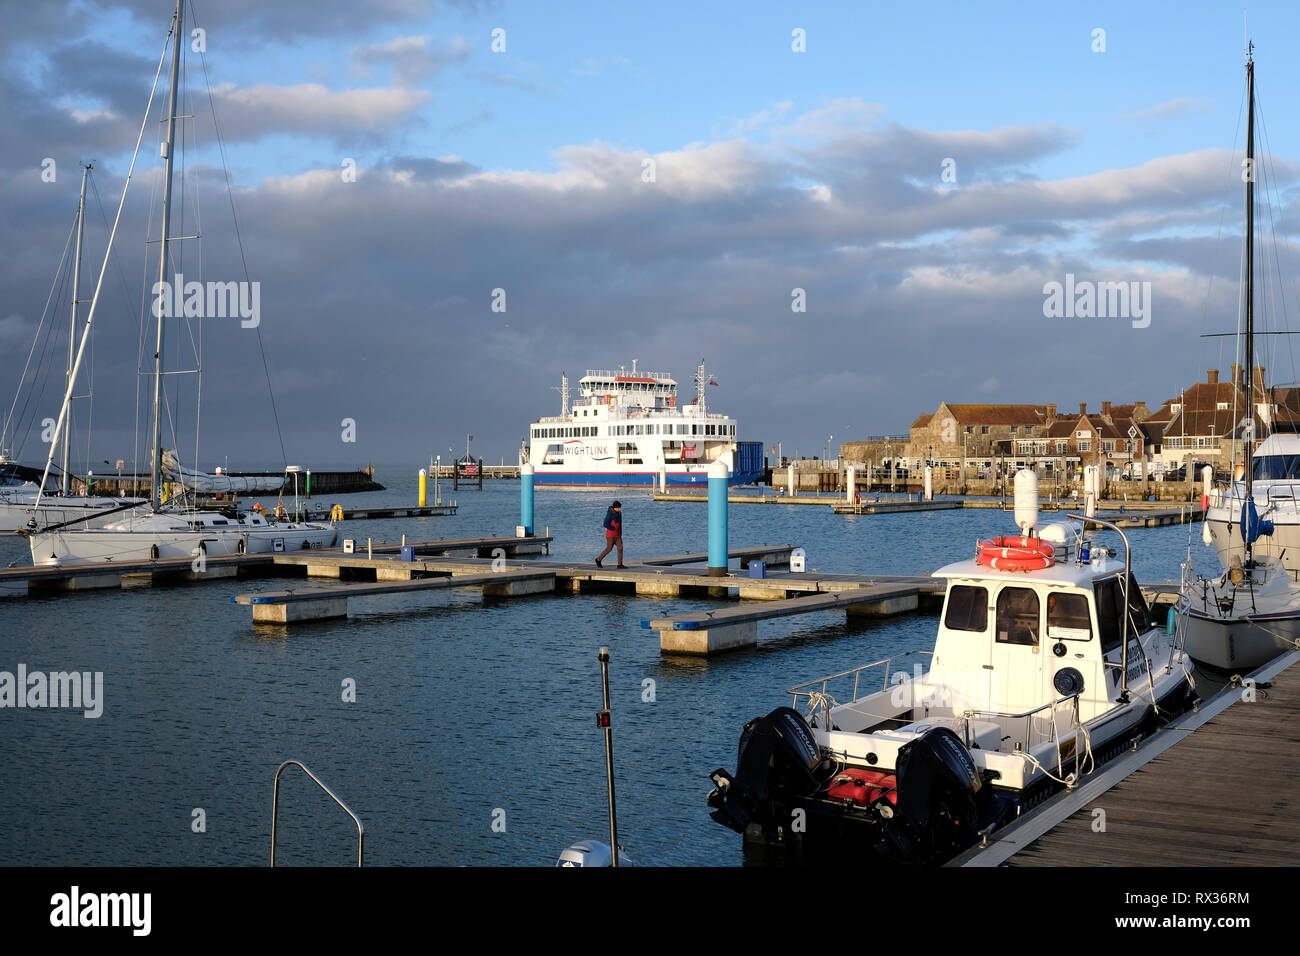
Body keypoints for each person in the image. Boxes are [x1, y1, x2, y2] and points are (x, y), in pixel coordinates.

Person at [595, 500, 625, 568]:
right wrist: (613, 528)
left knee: (620, 548)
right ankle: (598, 560)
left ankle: (620, 564)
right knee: (609, 549)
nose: (619, 509)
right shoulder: (610, 513)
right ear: (614, 507)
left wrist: (620, 532)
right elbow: (605, 524)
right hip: (610, 535)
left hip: (618, 535)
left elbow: (620, 524)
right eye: (618, 508)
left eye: (620, 508)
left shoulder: (619, 513)